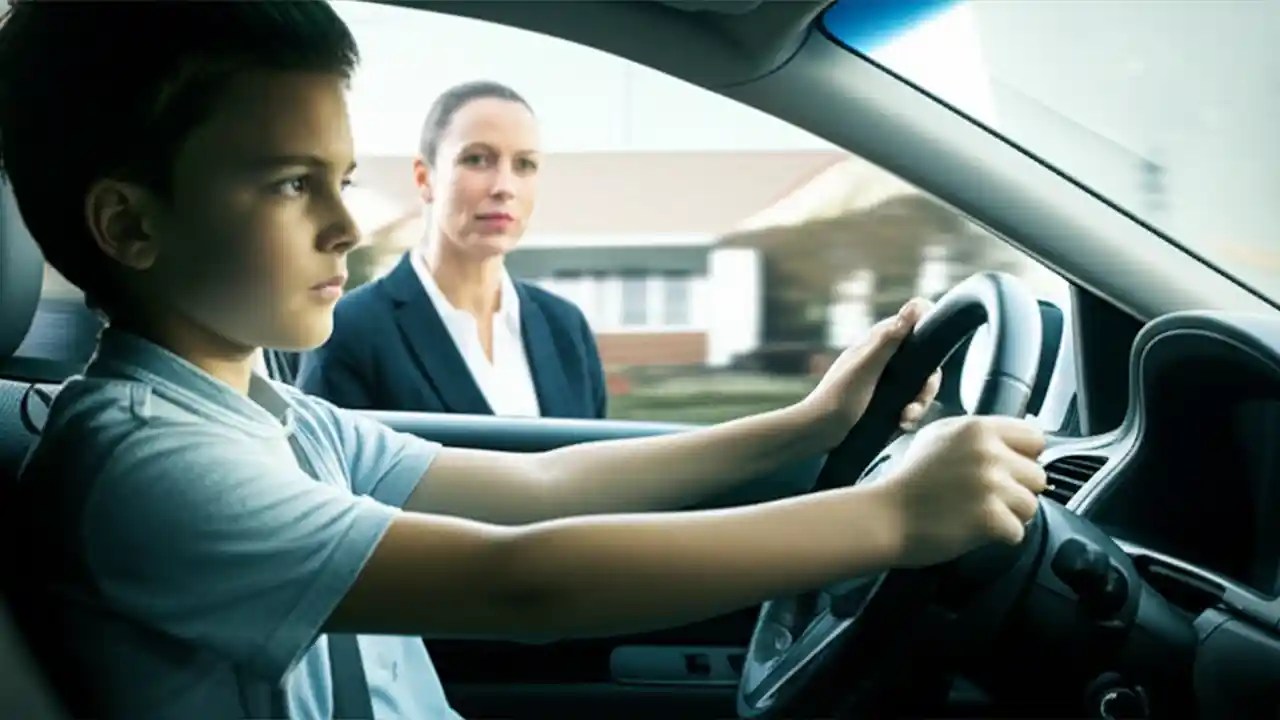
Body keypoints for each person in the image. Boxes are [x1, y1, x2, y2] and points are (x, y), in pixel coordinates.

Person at [0, 3, 1048, 719]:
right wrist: (887, 520)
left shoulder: (267, 415)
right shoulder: (146, 470)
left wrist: (803, 426)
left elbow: (536, 483)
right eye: (288, 185)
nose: (342, 222)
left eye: (336, 177)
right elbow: (522, 581)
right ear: (130, 226)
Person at [297, 80, 606, 419]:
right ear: (423, 178)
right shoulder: (350, 331)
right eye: (476, 159)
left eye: (525, 165)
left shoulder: (566, 329)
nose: (504, 187)